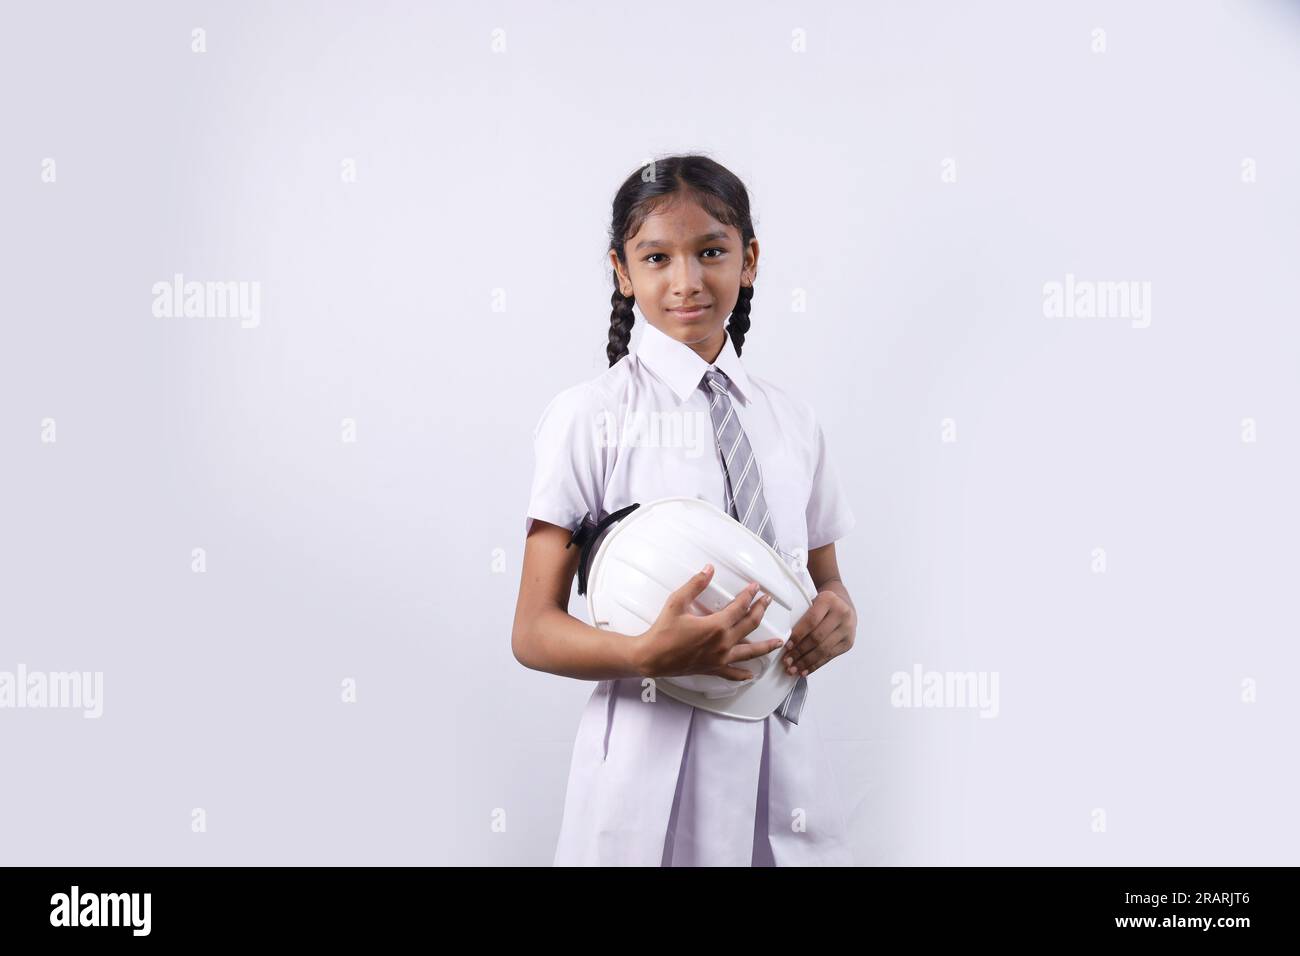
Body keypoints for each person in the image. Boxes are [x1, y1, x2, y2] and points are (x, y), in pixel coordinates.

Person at [513, 154, 859, 866]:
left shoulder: (793, 421)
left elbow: (829, 586)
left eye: (711, 251)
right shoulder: (591, 417)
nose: (687, 280)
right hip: (651, 766)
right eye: (657, 256)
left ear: (749, 258)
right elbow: (533, 631)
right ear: (621, 271)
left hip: (782, 764)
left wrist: (840, 618)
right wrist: (643, 654)